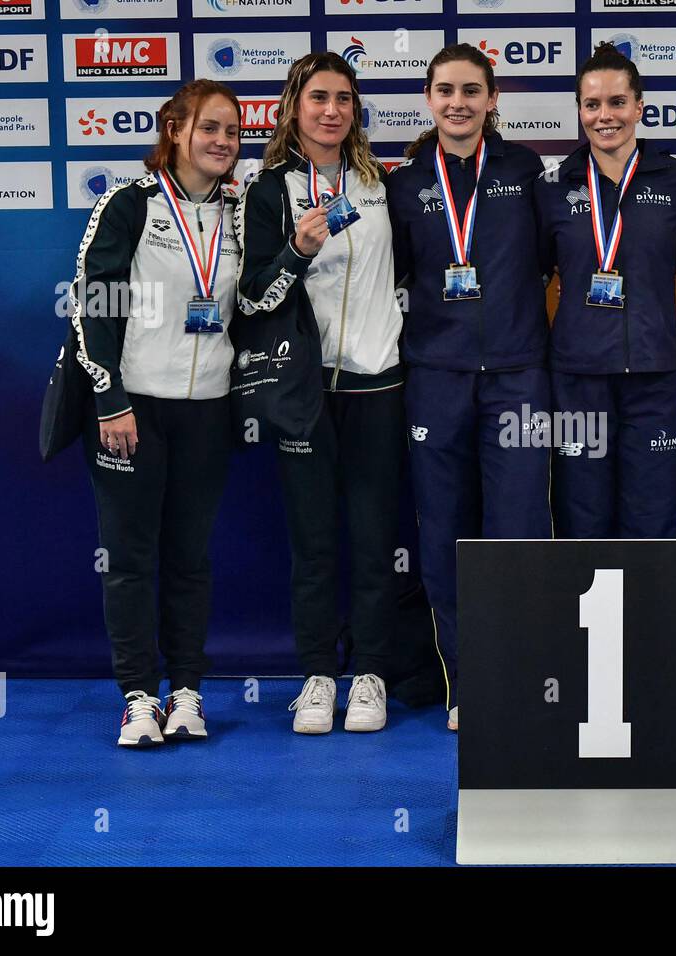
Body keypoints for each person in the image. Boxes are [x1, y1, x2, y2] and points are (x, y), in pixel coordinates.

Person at [236, 52, 405, 735]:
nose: (331, 110)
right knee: (312, 542)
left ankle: (369, 673)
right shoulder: (270, 189)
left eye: (342, 98)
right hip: (303, 392)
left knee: (372, 538)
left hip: (378, 384)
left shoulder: (382, 183)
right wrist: (298, 251)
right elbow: (252, 297)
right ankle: (315, 675)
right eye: (318, 99)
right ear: (294, 107)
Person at [386, 44, 552, 732]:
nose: (458, 102)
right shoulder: (403, 183)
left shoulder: (527, 171)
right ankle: (464, 681)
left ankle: (511, 672)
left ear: (492, 100)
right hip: (436, 379)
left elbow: (550, 263)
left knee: (516, 532)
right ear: (429, 99)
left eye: (471, 91)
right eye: (446, 90)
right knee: (445, 535)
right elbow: (394, 277)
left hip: (517, 378)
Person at [70, 79, 242, 747]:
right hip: (130, 410)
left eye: (232, 131)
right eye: (210, 128)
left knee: (190, 559)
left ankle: (188, 693)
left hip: (208, 412)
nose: (223, 141)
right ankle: (139, 697)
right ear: (176, 130)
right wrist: (109, 396)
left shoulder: (241, 211)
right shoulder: (129, 204)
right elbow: (92, 303)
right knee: (132, 558)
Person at [536, 42, 676, 540]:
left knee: (651, 517)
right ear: (580, 111)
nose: (604, 115)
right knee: (582, 517)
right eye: (592, 104)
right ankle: (587, 620)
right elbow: (540, 272)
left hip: (654, 378)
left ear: (639, 108)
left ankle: (646, 621)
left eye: (617, 102)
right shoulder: (554, 187)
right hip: (577, 379)